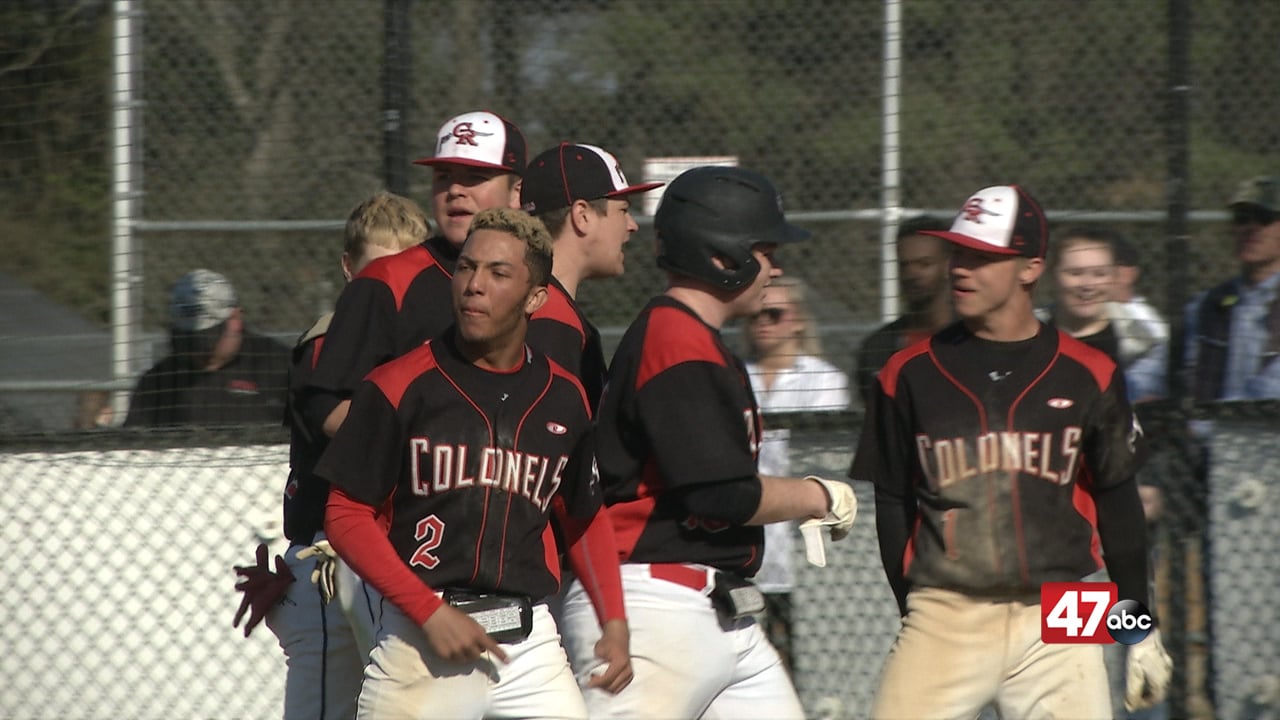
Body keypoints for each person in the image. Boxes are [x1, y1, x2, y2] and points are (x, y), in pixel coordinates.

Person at [850, 184, 1171, 719]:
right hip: (947, 605)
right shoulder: (907, 373)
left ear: (1030, 268)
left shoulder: (1089, 372)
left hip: (1062, 605)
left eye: (983, 257)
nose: (960, 269)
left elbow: (1119, 509)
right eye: (959, 252)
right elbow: (891, 503)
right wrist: (915, 608)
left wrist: (1138, 629)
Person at [556, 166, 857, 719]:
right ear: (724, 257)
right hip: (648, 606)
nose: (777, 265)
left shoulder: (697, 341)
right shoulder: (675, 339)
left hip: (716, 610)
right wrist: (817, 495)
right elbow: (721, 494)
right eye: (765, 250)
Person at [315, 208, 626, 719]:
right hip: (423, 637)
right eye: (466, 267)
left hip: (529, 647)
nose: (473, 285)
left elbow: (584, 516)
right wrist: (426, 610)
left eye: (498, 273)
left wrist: (613, 619)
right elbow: (346, 514)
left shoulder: (565, 397)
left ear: (535, 298)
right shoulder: (398, 385)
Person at [232, 191, 430, 720]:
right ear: (348, 268)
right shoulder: (328, 345)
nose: (390, 284)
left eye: (406, 268)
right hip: (333, 565)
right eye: (376, 268)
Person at [299, 109, 527, 440]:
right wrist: (417, 451)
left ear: (516, 192)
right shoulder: (388, 280)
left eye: (475, 177)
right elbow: (323, 403)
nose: (455, 190)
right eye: (444, 176)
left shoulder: (539, 285)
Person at [741, 275, 850, 671]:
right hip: (749, 534)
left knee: (801, 657)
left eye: (775, 314)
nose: (763, 323)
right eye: (755, 315)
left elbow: (814, 463)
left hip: (800, 540)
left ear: (799, 320)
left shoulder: (823, 379)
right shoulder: (736, 375)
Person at [520, 141, 663, 410]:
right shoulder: (550, 322)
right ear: (582, 216)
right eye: (623, 210)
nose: (632, 226)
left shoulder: (539, 306)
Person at [124, 268, 289, 426]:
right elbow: (133, 444)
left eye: (208, 340)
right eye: (189, 341)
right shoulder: (159, 381)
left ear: (235, 319)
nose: (199, 352)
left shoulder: (279, 368)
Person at [1038, 227, 1168, 403]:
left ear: (1114, 278)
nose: (1087, 285)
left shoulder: (1142, 343)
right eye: (1075, 273)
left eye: (1099, 274)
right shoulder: (1025, 335)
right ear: (1053, 275)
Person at [1183, 174, 1280, 402]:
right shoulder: (1208, 304)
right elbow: (1165, 365)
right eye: (1242, 219)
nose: (1251, 228)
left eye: (1264, 218)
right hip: (1209, 432)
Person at [855, 217, 953, 405]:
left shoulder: (975, 338)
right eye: (904, 265)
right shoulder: (877, 348)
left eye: (924, 264)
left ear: (948, 265)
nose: (912, 275)